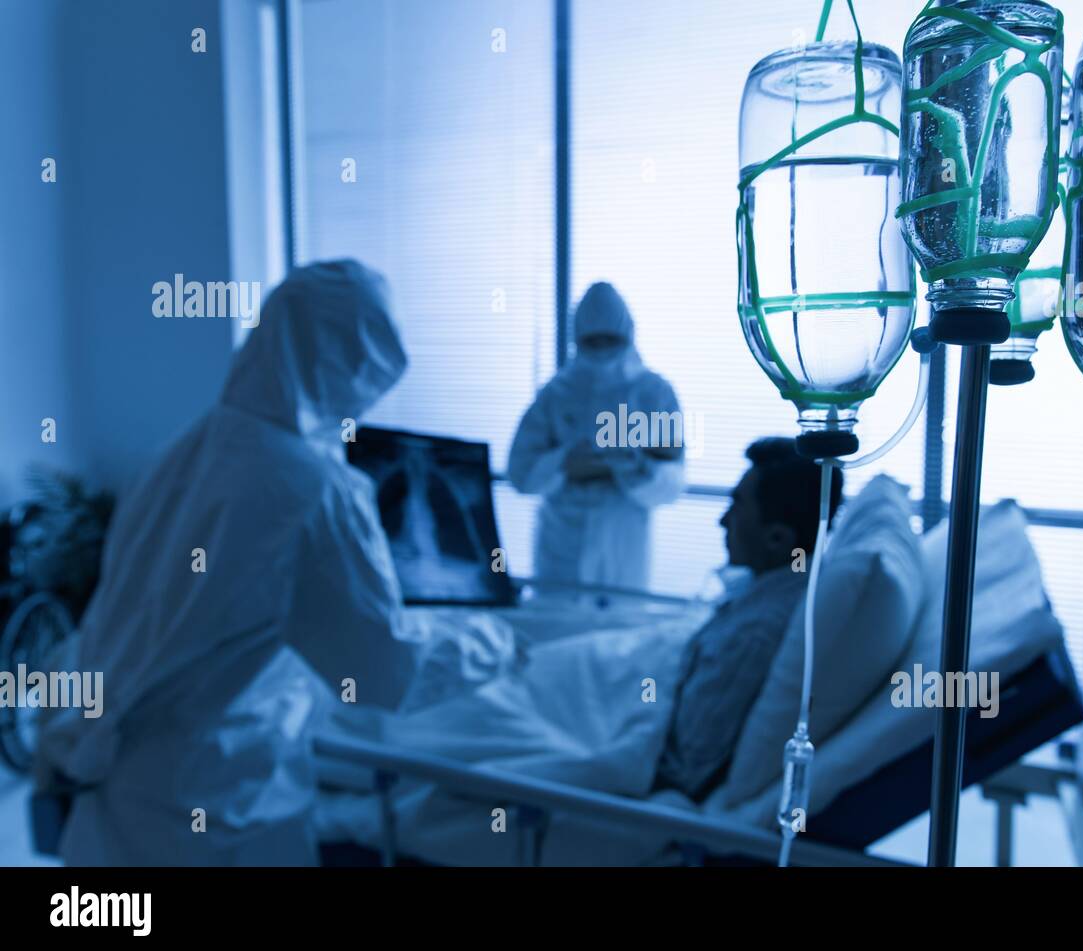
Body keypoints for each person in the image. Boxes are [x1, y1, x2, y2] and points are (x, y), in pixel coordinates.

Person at [36, 259, 514, 866]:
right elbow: (384, 673)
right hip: (220, 808)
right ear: (353, 366)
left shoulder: (176, 453)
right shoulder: (314, 490)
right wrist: (494, 642)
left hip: (121, 804)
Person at [655, 437, 843, 800]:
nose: (722, 519)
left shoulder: (756, 634)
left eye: (736, 506)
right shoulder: (777, 588)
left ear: (777, 538)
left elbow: (687, 765)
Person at [508, 282, 684, 592]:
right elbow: (520, 474)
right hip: (562, 543)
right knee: (556, 630)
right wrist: (564, 462)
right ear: (578, 339)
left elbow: (673, 484)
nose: (602, 349)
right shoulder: (555, 394)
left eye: (610, 339)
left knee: (618, 633)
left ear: (627, 336)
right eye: (593, 340)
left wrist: (635, 468)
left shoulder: (655, 394)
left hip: (622, 543)